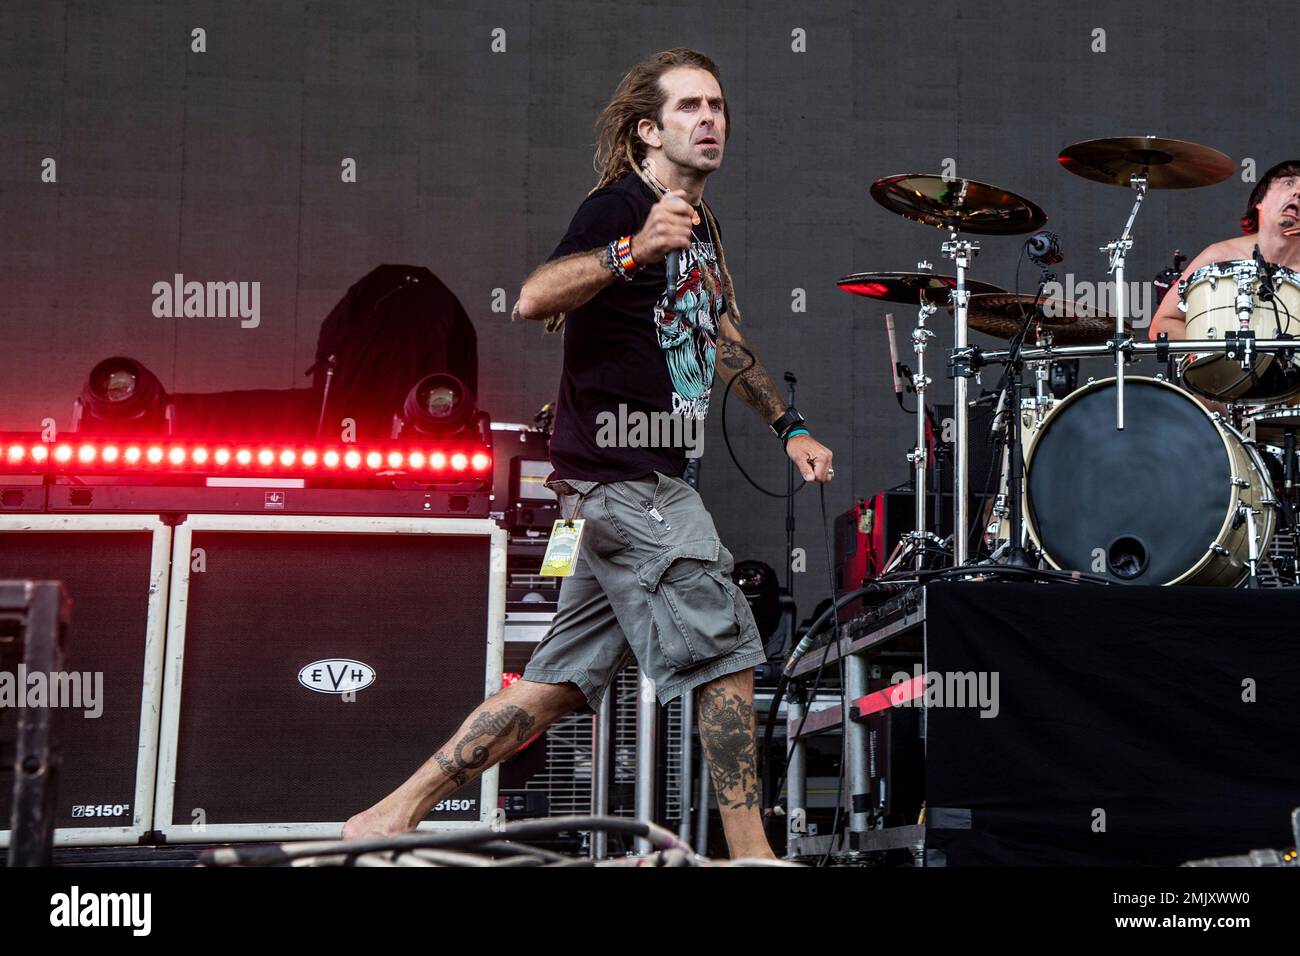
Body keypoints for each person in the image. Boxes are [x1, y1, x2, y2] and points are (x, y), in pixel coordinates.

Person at [343, 47, 834, 861]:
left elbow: (719, 336)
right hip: (627, 482)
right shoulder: (620, 206)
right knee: (729, 655)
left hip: (621, 488)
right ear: (648, 131)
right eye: (688, 108)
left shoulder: (701, 225)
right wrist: (630, 249)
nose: (709, 119)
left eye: (717, 106)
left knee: (555, 686)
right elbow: (536, 296)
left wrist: (791, 429)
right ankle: (752, 859)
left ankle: (393, 812)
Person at [1150, 159, 1300, 341]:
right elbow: (1162, 324)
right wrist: (1216, 356)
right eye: (1288, 183)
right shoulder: (1219, 257)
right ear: (1259, 201)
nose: (1297, 192)